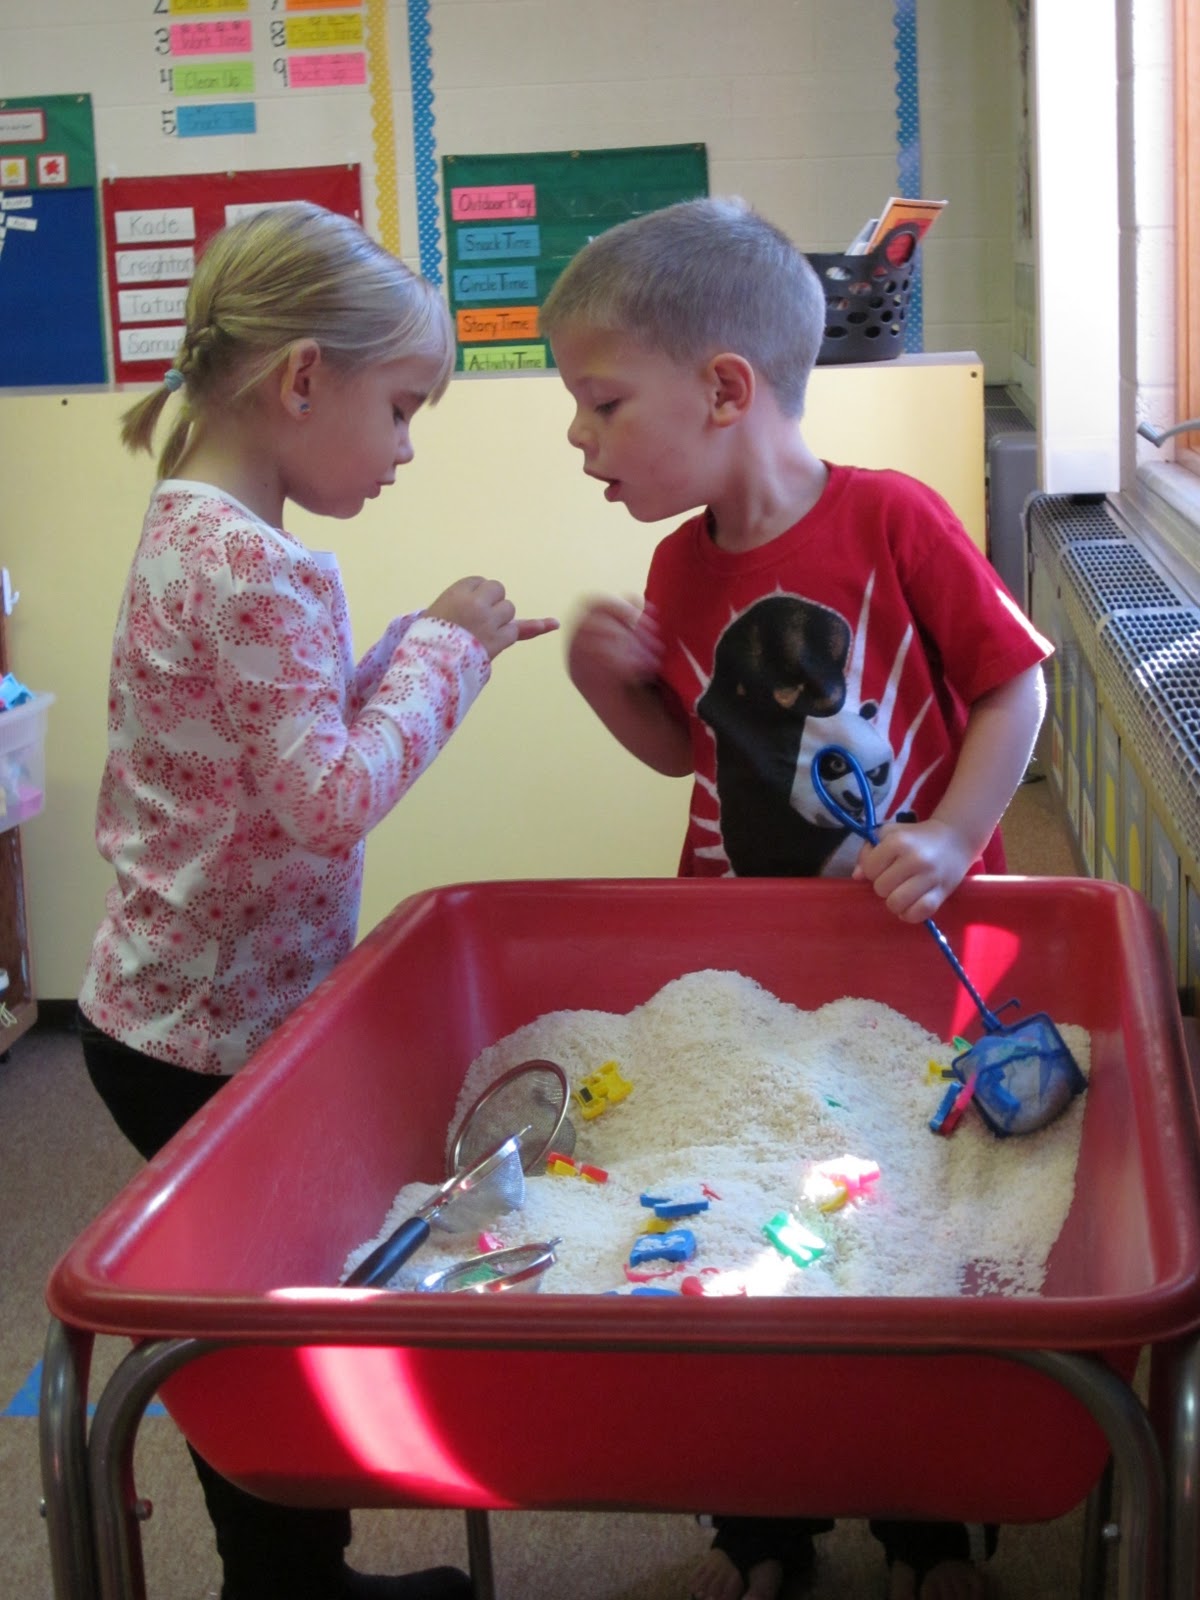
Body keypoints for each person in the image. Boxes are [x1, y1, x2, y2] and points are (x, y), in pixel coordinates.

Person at [539, 196, 1050, 1600]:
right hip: (733, 961)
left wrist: (953, 833)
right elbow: (690, 754)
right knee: (735, 1222)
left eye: (597, 405)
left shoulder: (891, 518)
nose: (578, 441)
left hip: (901, 951)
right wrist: (603, 684)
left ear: (722, 389)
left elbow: (1018, 683)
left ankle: (926, 1521)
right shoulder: (675, 565)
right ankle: (762, 1525)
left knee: (889, 1232)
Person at [77, 201, 558, 1600]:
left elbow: (269, 754)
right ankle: (289, 1586)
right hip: (199, 1038)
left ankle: (295, 1579)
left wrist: (407, 648)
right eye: (403, 409)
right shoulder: (252, 563)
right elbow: (331, 798)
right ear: (302, 379)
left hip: (183, 1013)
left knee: (267, 1319)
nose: (409, 448)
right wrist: (451, 662)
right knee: (269, 1331)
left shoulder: (208, 530)